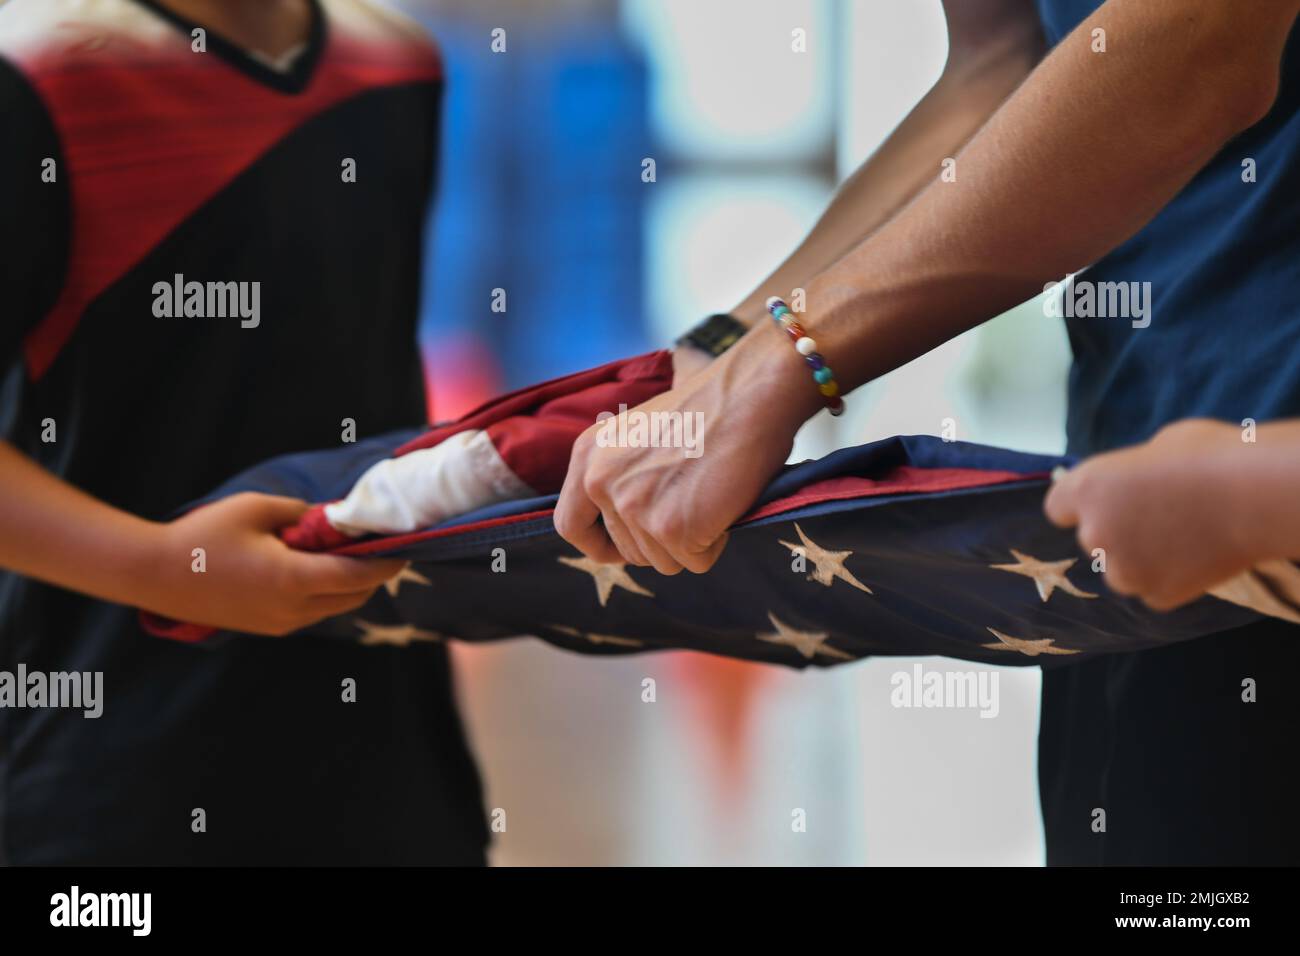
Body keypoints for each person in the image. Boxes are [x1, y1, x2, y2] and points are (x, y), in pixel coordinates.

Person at [557, 0, 1300, 864]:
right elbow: (1005, 66)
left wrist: (779, 364)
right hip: (1138, 488)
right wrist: (722, 352)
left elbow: (1198, 47)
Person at [0, 0, 487, 864]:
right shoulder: (42, 75)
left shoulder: (398, 61)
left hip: (384, 736)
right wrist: (164, 568)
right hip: (106, 761)